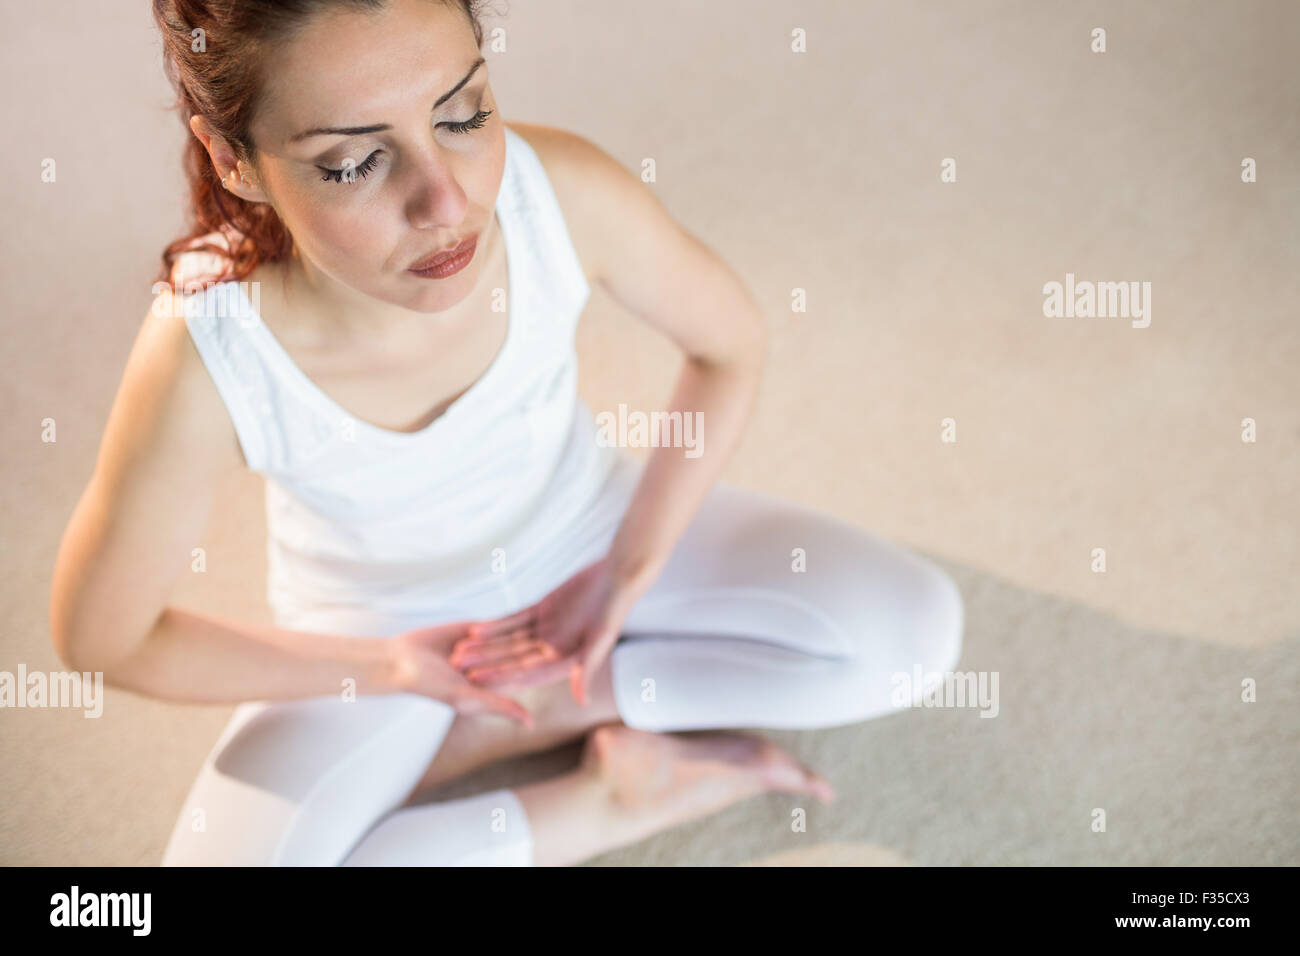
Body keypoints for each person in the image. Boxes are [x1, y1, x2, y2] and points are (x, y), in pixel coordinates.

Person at [49, 0, 964, 866]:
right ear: (233, 158)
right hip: (380, 631)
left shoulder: (556, 192)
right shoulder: (208, 350)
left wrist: (626, 570)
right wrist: (390, 667)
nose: (445, 203)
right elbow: (105, 639)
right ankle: (607, 797)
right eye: (352, 163)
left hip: (584, 531)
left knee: (913, 635)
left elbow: (731, 344)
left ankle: (549, 708)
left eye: (463, 113)